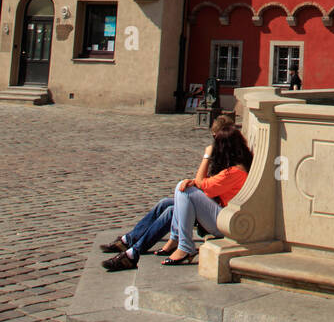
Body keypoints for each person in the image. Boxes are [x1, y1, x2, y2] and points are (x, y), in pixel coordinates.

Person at [101, 114, 239, 272]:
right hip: (215, 205)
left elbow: (206, 185)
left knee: (176, 203)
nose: (214, 140)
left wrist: (207, 156)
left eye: (216, 136)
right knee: (164, 203)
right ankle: (129, 241)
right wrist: (197, 182)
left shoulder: (233, 161)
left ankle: (136, 252)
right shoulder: (227, 156)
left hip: (222, 216)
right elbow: (207, 184)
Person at [162, 118, 254, 265]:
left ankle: (183, 246)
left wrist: (207, 156)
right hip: (232, 216)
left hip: (228, 222)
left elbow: (202, 184)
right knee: (175, 198)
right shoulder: (242, 165)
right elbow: (205, 185)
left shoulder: (233, 173)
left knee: (183, 190)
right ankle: (177, 240)